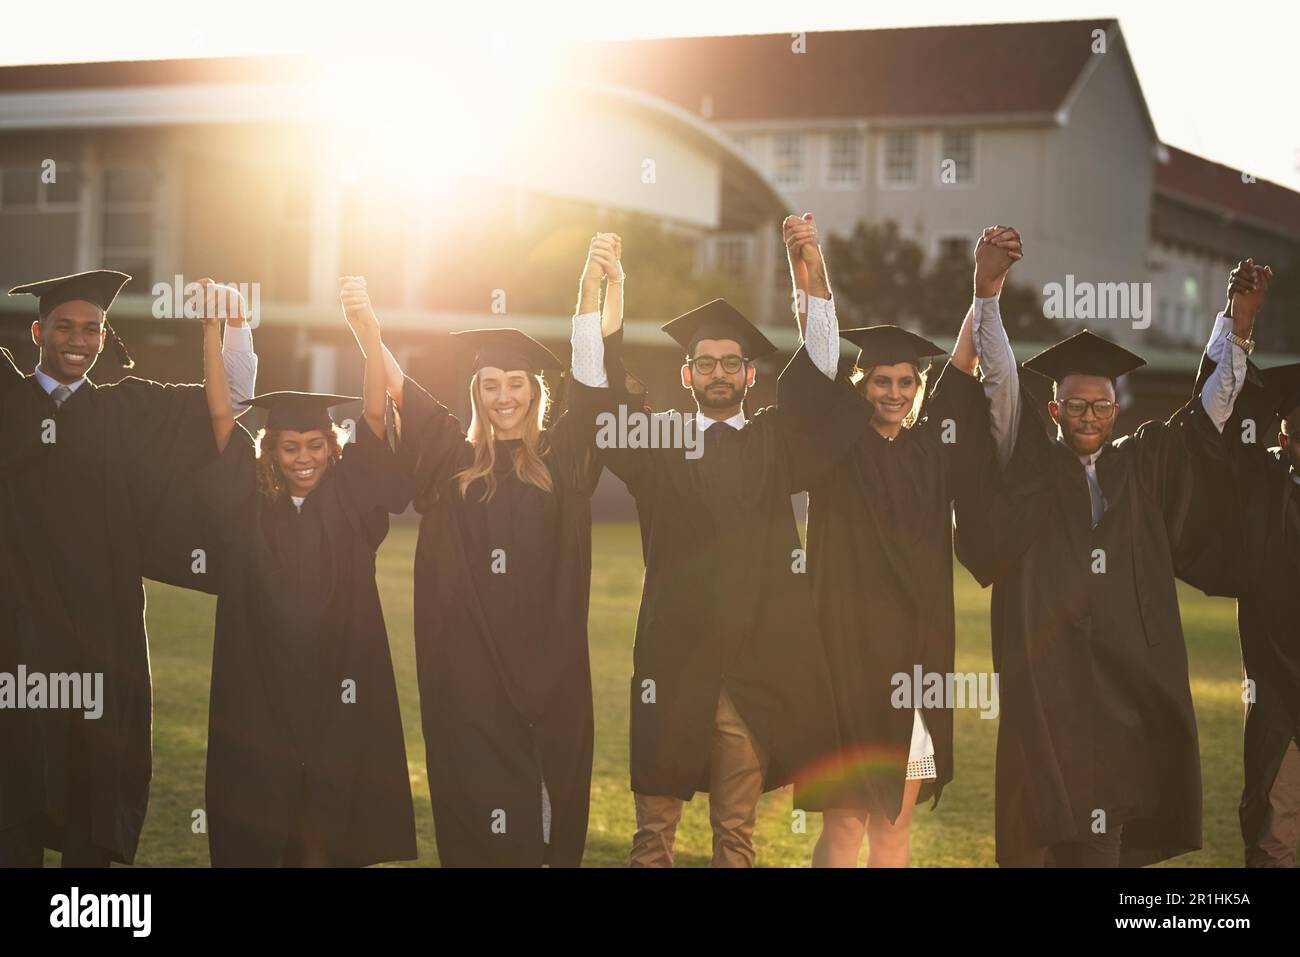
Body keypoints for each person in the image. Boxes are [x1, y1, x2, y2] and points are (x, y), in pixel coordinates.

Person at [569, 223, 871, 868]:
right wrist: (597, 294)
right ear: (687, 373)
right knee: (653, 836)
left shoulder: (775, 441)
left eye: (731, 362)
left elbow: (819, 367)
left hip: (751, 662)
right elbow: (596, 396)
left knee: (735, 837)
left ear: (749, 374)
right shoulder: (656, 443)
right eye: (705, 363)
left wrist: (808, 270)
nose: (718, 373)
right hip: (673, 659)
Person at [955, 244, 1251, 867]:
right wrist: (987, 293)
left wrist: (1234, 323)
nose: (1090, 417)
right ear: (1055, 409)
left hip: (1118, 685)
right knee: (1033, 827)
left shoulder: (1140, 465)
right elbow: (1001, 384)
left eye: (1102, 406)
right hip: (1045, 681)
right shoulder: (1030, 463)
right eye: (1076, 406)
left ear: (1117, 410)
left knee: (1100, 836)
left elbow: (1208, 412)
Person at [379, 235, 632, 866]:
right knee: (478, 806)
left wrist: (595, 289)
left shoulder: (565, 458)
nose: (502, 396)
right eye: (489, 384)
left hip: (548, 674)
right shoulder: (455, 464)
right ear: (476, 395)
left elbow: (592, 378)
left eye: (515, 382)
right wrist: (365, 328)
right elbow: (400, 389)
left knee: (543, 817)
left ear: (534, 390)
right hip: (471, 675)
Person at [0, 270, 255, 868]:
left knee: (95, 788)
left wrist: (228, 322)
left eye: (92, 329)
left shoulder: (127, 410)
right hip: (11, 636)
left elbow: (228, 409)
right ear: (38, 331)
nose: (78, 340)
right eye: (64, 326)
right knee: (11, 789)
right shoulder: (4, 399)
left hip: (100, 634)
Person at [786, 217, 1013, 867]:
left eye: (905, 382)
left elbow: (965, 363)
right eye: (881, 381)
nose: (893, 392)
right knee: (845, 826)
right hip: (844, 665)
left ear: (917, 388)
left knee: (894, 824)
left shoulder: (932, 447)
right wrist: (809, 267)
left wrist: (984, 284)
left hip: (915, 670)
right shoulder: (838, 448)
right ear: (862, 385)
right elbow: (816, 341)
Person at [193, 277, 416, 867]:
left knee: (329, 808)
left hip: (340, 676)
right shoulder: (250, 504)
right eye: (289, 447)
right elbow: (220, 415)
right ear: (270, 451)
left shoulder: (349, 499)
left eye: (315, 445)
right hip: (260, 678)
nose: (303, 458)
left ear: (331, 446)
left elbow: (373, 411)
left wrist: (368, 332)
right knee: (266, 808)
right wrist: (212, 330)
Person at [1195, 262, 1300, 866]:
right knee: (1277, 834)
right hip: (1283, 693)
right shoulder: (1263, 488)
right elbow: (1210, 426)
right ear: (1282, 436)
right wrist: (1241, 321)